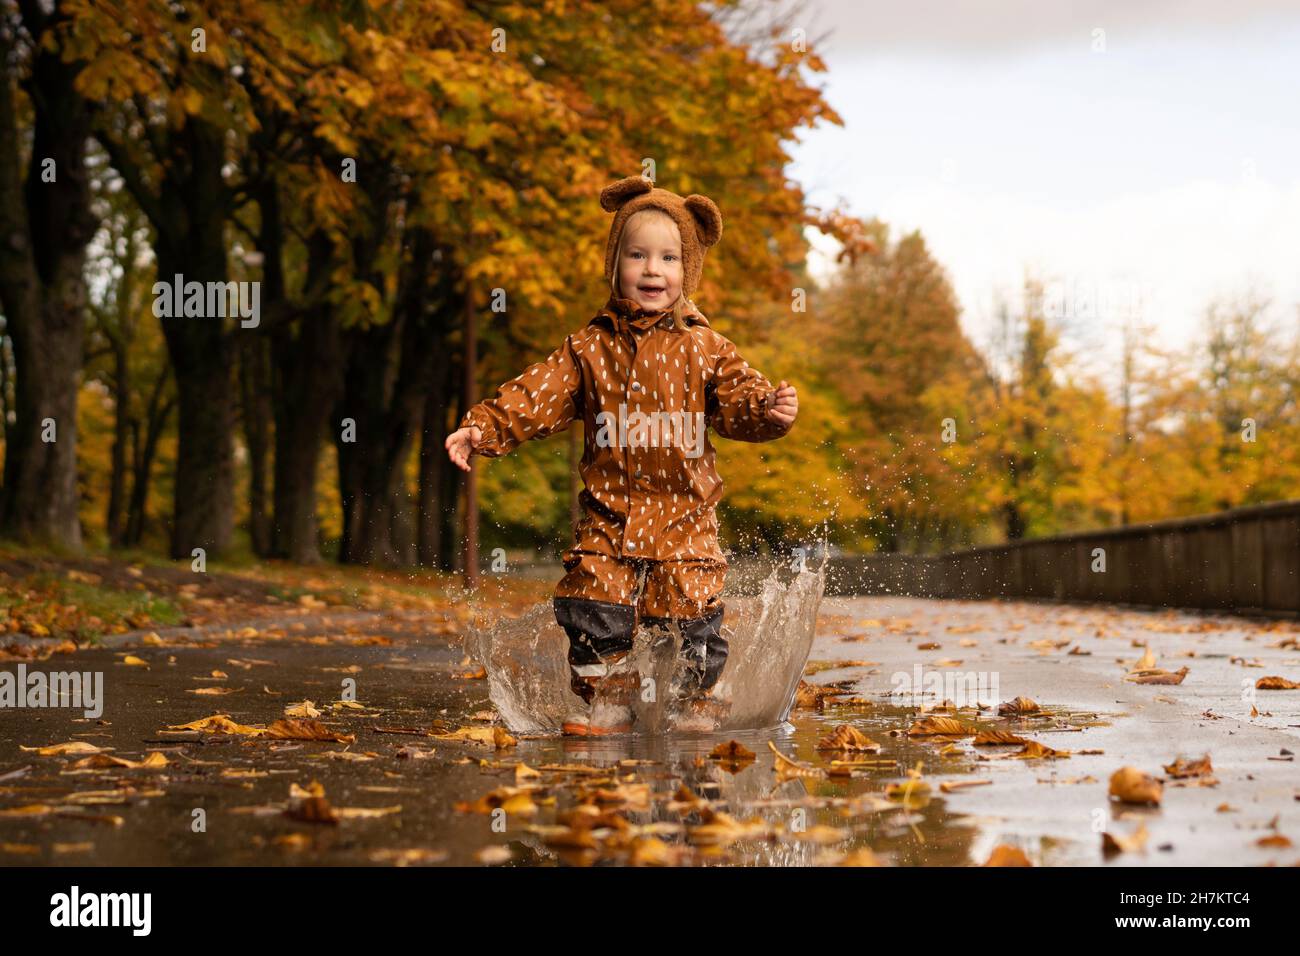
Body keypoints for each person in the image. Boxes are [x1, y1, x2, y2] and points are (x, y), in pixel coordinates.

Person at [446, 174, 797, 735]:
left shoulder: (707, 347)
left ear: (688, 271)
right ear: (616, 266)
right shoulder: (588, 348)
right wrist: (481, 427)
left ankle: (693, 701)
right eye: (637, 255)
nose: (653, 269)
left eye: (668, 258)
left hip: (685, 519)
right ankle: (607, 700)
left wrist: (767, 409)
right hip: (609, 516)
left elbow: (737, 400)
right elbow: (536, 394)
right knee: (592, 606)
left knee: (690, 615)